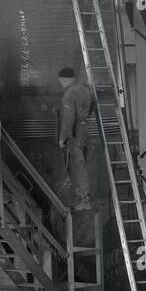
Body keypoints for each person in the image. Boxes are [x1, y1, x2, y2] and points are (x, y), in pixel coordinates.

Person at [57, 67, 93, 209]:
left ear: (65, 79)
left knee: (77, 164)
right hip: (84, 128)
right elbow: (93, 104)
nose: (61, 84)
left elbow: (68, 119)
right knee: (82, 162)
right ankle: (84, 198)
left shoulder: (69, 94)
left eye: (60, 81)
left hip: (75, 131)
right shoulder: (85, 89)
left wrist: (62, 138)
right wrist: (84, 118)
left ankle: (84, 199)